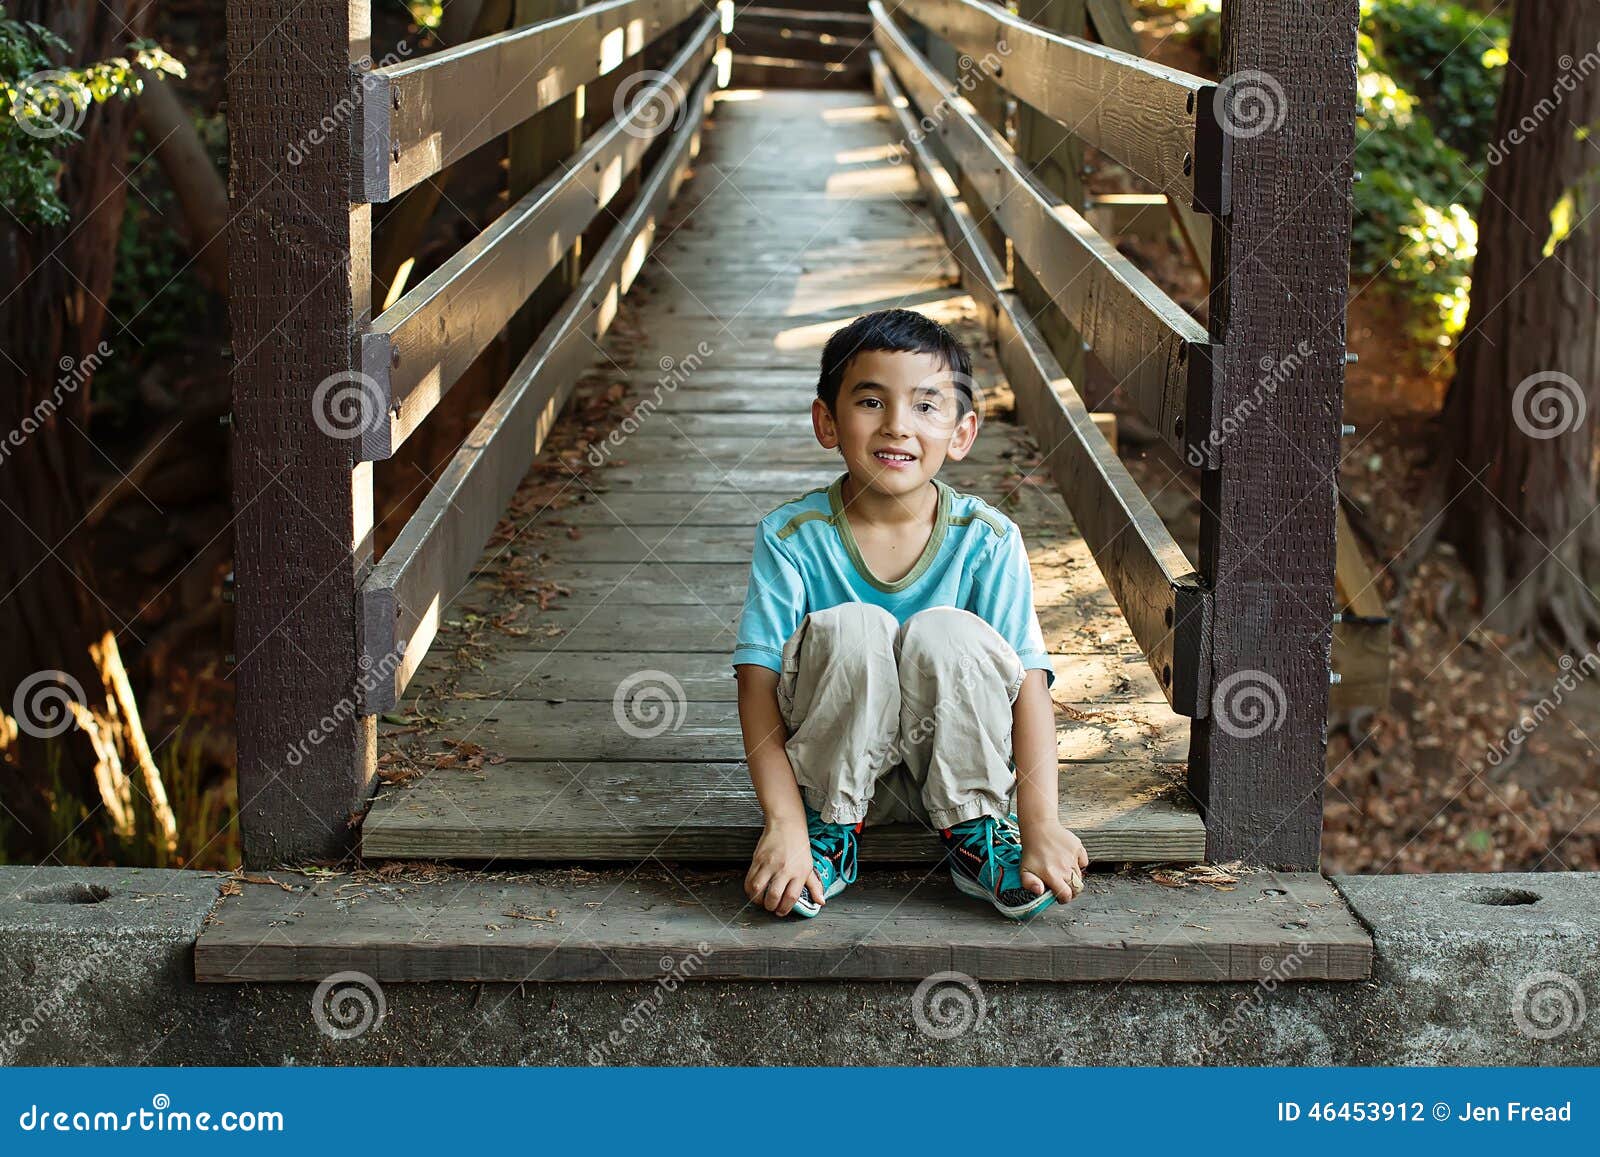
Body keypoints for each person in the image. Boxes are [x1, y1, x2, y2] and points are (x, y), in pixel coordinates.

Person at [730, 308, 1089, 921]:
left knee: (945, 630)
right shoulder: (791, 537)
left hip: (952, 778)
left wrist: (1042, 823)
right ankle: (825, 837)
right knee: (857, 626)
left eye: (926, 406)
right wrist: (783, 822)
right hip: (834, 780)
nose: (898, 426)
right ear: (827, 421)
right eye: (871, 402)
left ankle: (977, 838)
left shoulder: (989, 540)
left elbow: (1029, 685)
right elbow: (757, 686)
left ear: (962, 432)